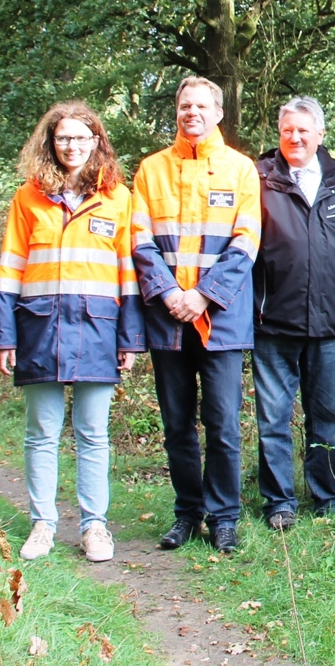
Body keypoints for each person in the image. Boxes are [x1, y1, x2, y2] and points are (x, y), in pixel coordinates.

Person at [0, 101, 145, 563]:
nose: (71, 145)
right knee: (42, 431)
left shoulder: (118, 197)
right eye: (63, 138)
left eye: (80, 137)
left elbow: (127, 272)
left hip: (98, 328)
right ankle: (43, 525)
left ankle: (95, 527)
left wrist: (129, 338)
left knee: (93, 433)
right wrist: (4, 334)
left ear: (96, 141)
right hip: (38, 326)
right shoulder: (27, 197)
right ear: (50, 144)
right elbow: (10, 267)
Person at [131, 76, 261, 554]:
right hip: (168, 319)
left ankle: (224, 517)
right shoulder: (151, 170)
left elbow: (246, 241)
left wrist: (203, 296)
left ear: (218, 113)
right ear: (177, 111)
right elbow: (139, 239)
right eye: (185, 105)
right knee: (177, 424)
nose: (192, 113)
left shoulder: (241, 169)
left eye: (201, 106)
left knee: (224, 424)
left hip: (220, 319)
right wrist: (170, 294)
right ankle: (188, 512)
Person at [253, 97, 335, 528]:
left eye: (303, 131)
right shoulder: (258, 179)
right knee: (273, 416)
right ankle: (279, 502)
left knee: (327, 415)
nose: (295, 138)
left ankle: (327, 495)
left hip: (329, 324)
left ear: (320, 135)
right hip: (273, 321)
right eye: (287, 130)